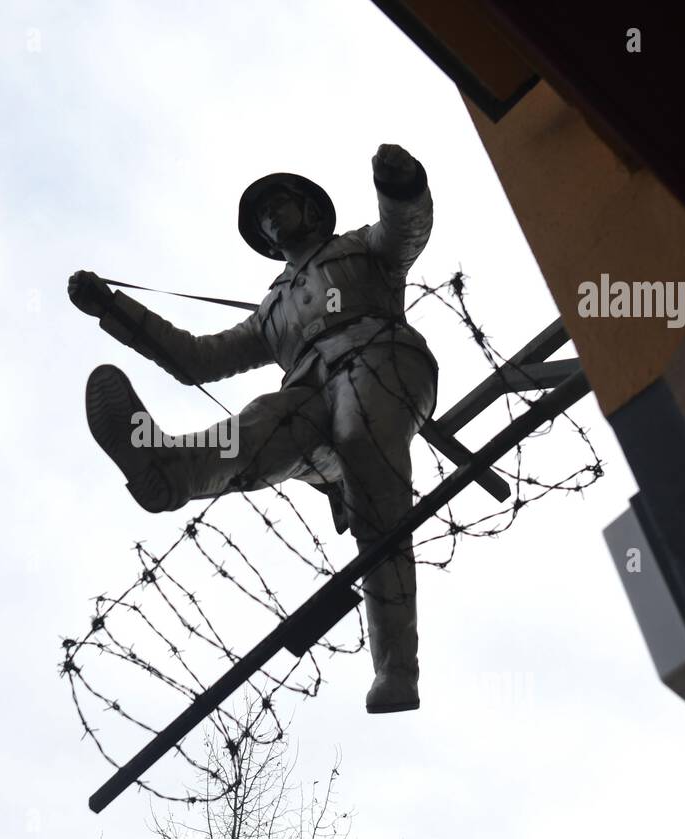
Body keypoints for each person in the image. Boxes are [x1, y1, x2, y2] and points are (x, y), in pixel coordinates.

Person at [68, 144, 439, 714]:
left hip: (382, 363)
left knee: (362, 440)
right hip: (309, 394)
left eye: (277, 205)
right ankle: (169, 469)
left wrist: (401, 183)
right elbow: (197, 360)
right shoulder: (272, 312)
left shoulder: (360, 248)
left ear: (311, 211)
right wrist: (114, 309)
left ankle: (396, 667)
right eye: (263, 217)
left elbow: (406, 232)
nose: (269, 219)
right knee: (262, 425)